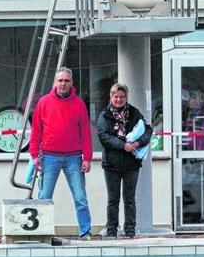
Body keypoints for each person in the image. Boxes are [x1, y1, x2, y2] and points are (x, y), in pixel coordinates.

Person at [29, 66, 94, 239]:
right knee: (44, 198)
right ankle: (41, 233)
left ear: (71, 83)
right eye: (60, 80)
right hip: (49, 157)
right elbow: (36, 132)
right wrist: (34, 156)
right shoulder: (43, 103)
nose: (63, 84)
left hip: (74, 158)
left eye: (66, 80)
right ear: (54, 82)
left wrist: (87, 158)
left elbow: (86, 133)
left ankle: (85, 233)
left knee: (80, 198)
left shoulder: (79, 104)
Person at [94, 82, 149, 238]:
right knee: (113, 200)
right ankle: (111, 230)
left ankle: (130, 230)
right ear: (111, 97)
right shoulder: (104, 115)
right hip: (111, 164)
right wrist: (123, 145)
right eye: (116, 96)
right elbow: (103, 136)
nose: (119, 99)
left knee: (130, 199)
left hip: (132, 164)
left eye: (122, 96)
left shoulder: (134, 113)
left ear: (127, 97)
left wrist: (138, 143)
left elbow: (148, 130)